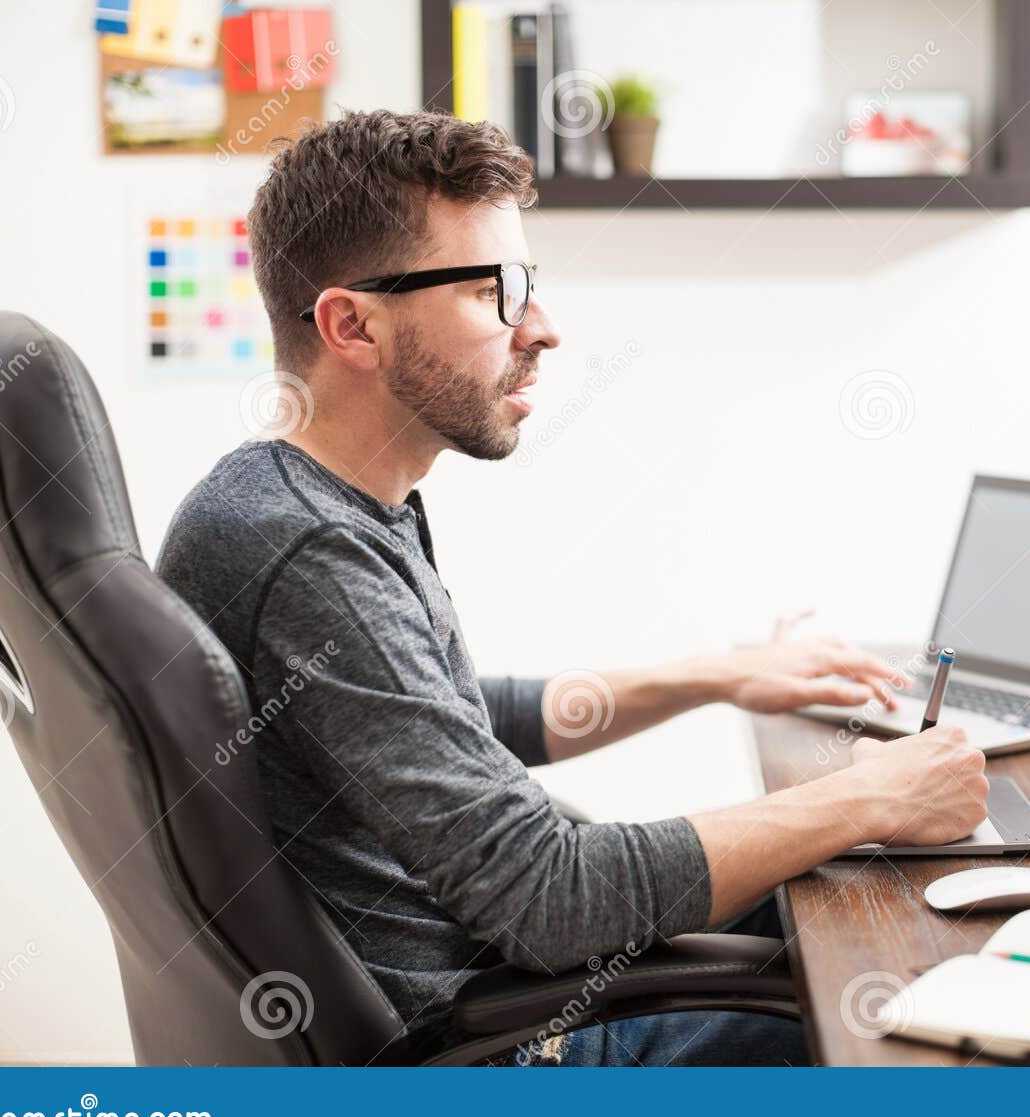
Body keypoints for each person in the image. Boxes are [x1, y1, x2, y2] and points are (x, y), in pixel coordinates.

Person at [156, 110, 988, 1066]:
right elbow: (547, 898)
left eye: (530, 286)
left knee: (865, 891)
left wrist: (722, 675)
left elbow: (459, 719)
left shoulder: (306, 502)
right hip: (508, 1048)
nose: (541, 329)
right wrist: (870, 797)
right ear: (353, 325)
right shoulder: (307, 551)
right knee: (914, 999)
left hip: (513, 990)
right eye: (492, 292)